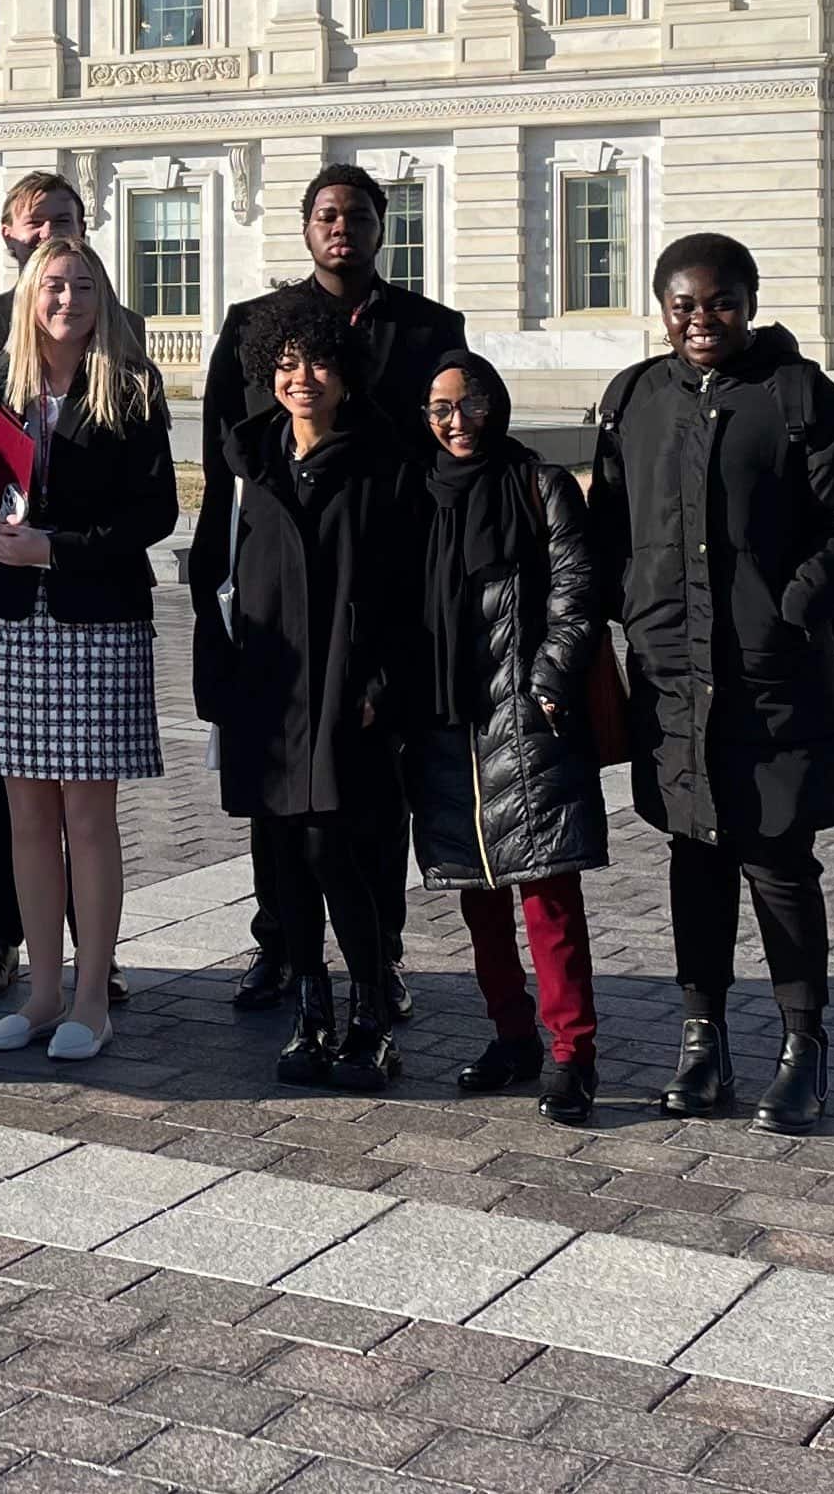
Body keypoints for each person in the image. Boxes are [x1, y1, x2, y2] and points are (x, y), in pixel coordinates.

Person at [592, 233, 834, 1136]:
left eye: (718, 301)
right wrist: (630, 610)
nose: (700, 320)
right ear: (663, 308)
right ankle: (703, 1036)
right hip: (675, 676)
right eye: (682, 304)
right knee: (695, 856)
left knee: (779, 862)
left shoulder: (801, 397)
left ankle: (804, 1046)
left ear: (749, 301)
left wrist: (794, 605)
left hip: (771, 679)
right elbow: (608, 523)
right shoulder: (636, 398)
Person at [195, 165, 463, 1019]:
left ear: (383, 225)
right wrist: (213, 597)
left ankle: (378, 958)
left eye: (355, 213)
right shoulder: (251, 328)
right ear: (305, 229)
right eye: (324, 214)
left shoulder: (428, 330)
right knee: (272, 794)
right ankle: (279, 948)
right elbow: (220, 465)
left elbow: (445, 462)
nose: (339, 226)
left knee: (371, 798)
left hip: (372, 585)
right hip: (272, 592)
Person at [0, 238, 176, 1067]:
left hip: (96, 617)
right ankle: (40, 992)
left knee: (87, 816)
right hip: (9, 618)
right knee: (25, 816)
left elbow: (154, 512)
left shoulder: (131, 383)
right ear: (27, 294)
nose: (69, 298)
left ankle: (91, 996)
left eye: (85, 285)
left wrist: (57, 548)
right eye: (55, 284)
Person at [190, 289, 421, 1090]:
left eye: (318, 362)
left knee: (334, 846)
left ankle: (371, 1007)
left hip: (343, 688)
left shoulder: (383, 461)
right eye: (286, 364)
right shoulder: (247, 458)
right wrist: (215, 673)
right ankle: (311, 1006)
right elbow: (214, 571)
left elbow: (405, 588)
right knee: (283, 852)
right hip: (268, 679)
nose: (302, 379)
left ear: (346, 374)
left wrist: (384, 681)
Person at [407, 352, 608, 1121]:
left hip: (526, 714)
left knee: (547, 891)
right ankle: (512, 1036)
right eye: (440, 409)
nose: (457, 422)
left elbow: (576, 585)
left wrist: (552, 675)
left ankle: (572, 1052)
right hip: (445, 719)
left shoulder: (538, 483)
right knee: (478, 895)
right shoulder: (419, 492)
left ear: (499, 404)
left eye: (472, 404)